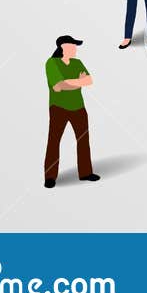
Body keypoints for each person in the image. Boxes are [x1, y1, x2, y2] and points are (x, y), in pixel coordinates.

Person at [44, 37, 98, 188]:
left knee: (83, 140)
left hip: (78, 107)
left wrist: (69, 82)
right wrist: (77, 82)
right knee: (54, 141)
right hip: (58, 107)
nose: (75, 49)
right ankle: (50, 176)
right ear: (63, 46)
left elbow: (89, 80)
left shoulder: (77, 63)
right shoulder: (52, 63)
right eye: (73, 46)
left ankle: (86, 172)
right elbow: (58, 87)